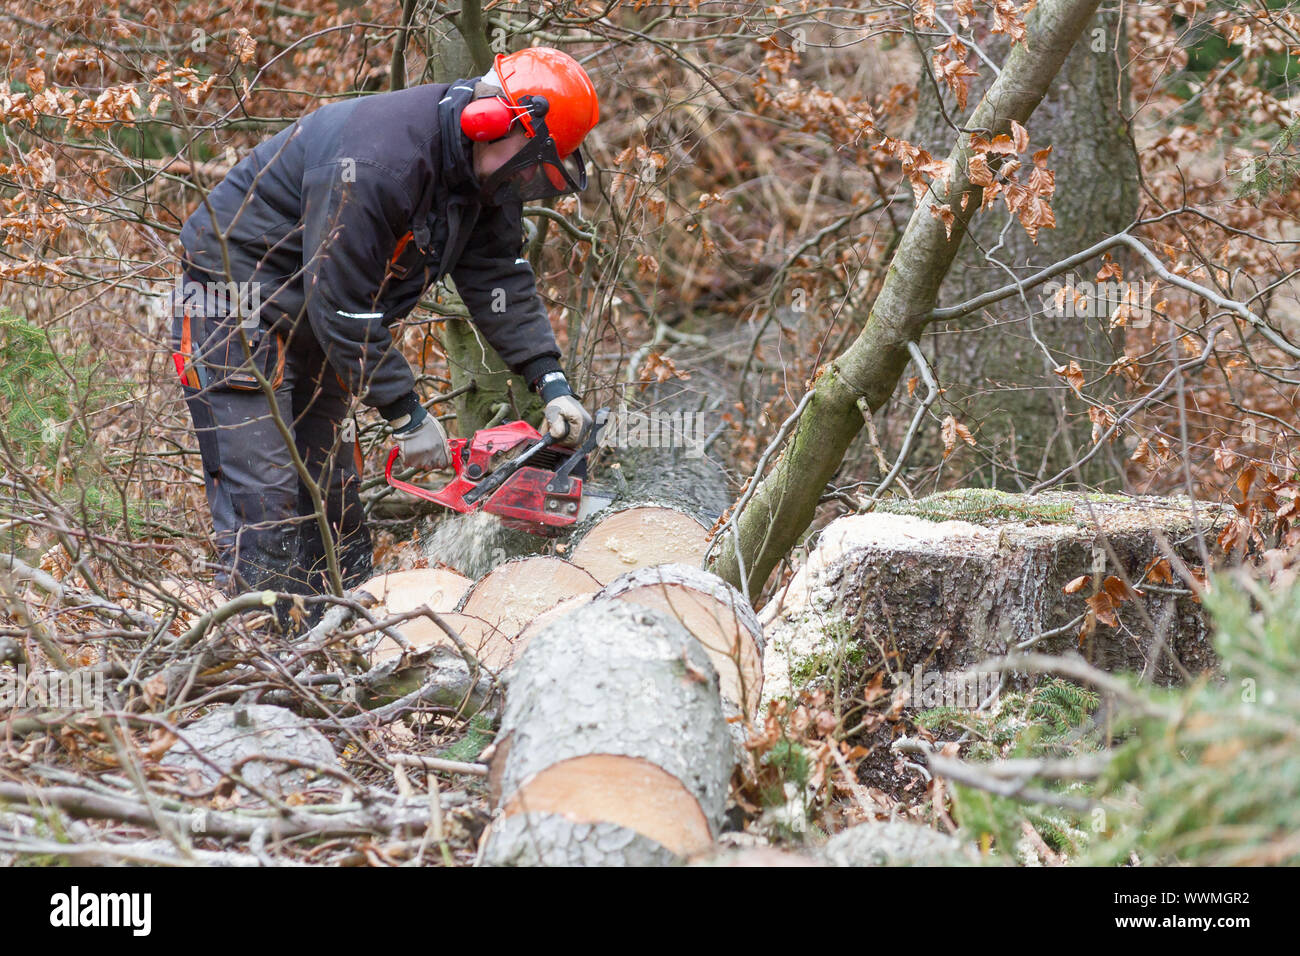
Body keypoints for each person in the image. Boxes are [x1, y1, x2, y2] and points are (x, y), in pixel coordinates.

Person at [170, 47, 598, 619]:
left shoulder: (480, 177)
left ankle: (348, 643)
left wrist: (551, 380)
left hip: (318, 319)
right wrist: (406, 414)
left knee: (330, 497)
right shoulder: (380, 161)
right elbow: (343, 301)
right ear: (493, 121)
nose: (530, 180)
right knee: (266, 501)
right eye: (534, 163)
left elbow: (499, 278)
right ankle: (259, 672)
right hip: (234, 306)